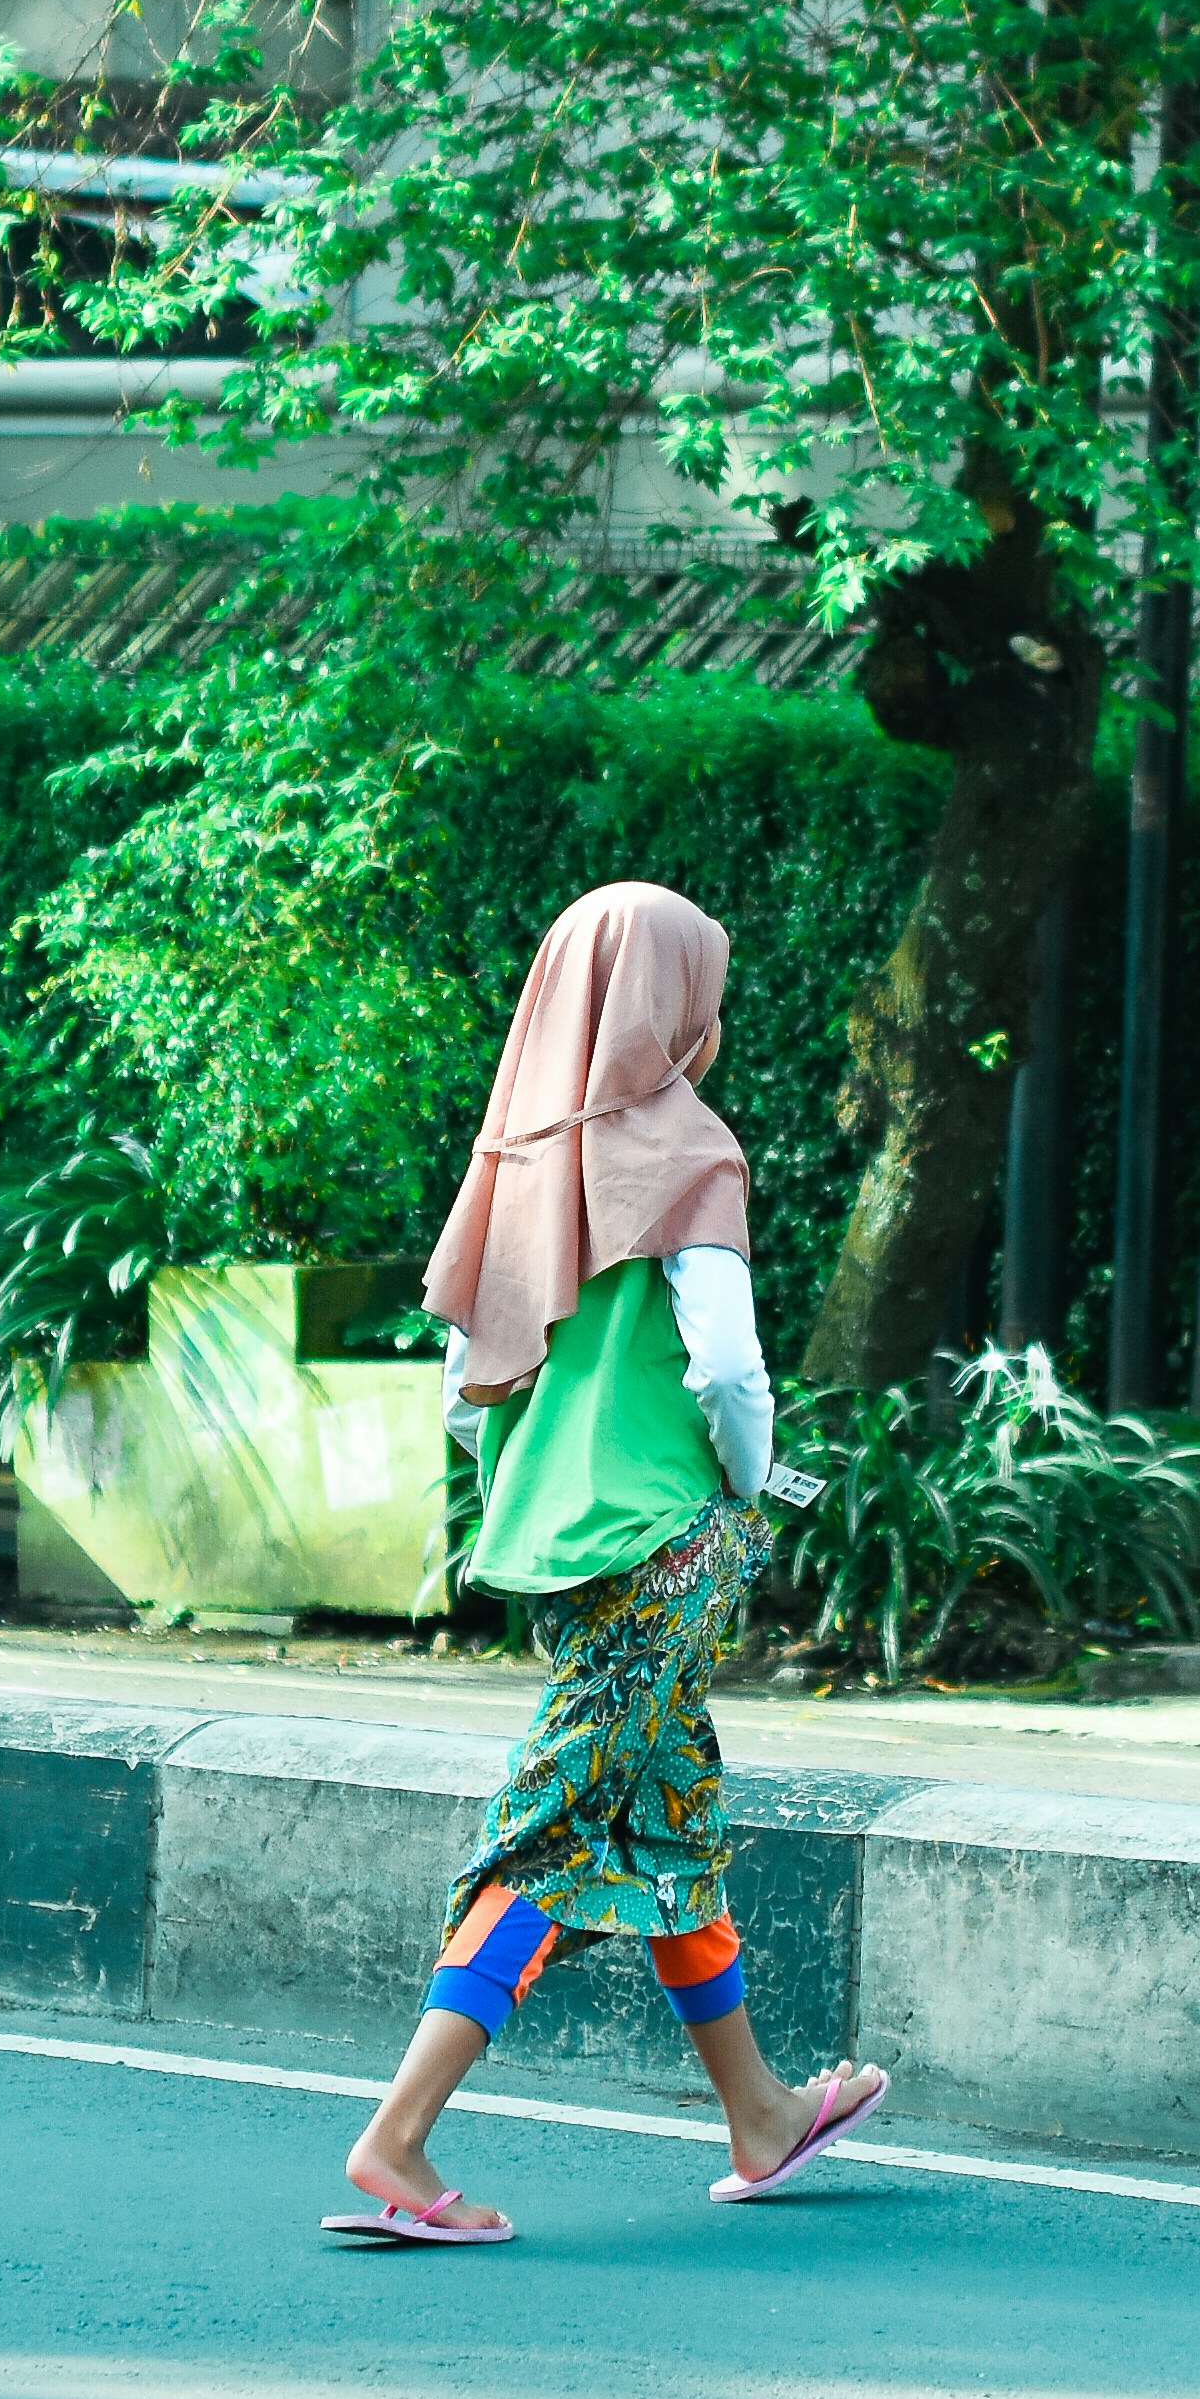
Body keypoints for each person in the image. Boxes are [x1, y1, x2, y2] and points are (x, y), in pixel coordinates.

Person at [330, 877, 892, 2245]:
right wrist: (750, 1490)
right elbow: (731, 1367)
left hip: (560, 1543)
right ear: (677, 1003)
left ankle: (760, 2111)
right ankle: (397, 2141)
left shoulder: (518, 1153)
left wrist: (522, 1498)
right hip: (668, 1547)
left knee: (666, 1812)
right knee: (553, 1832)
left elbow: (469, 1374)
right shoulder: (689, 1153)